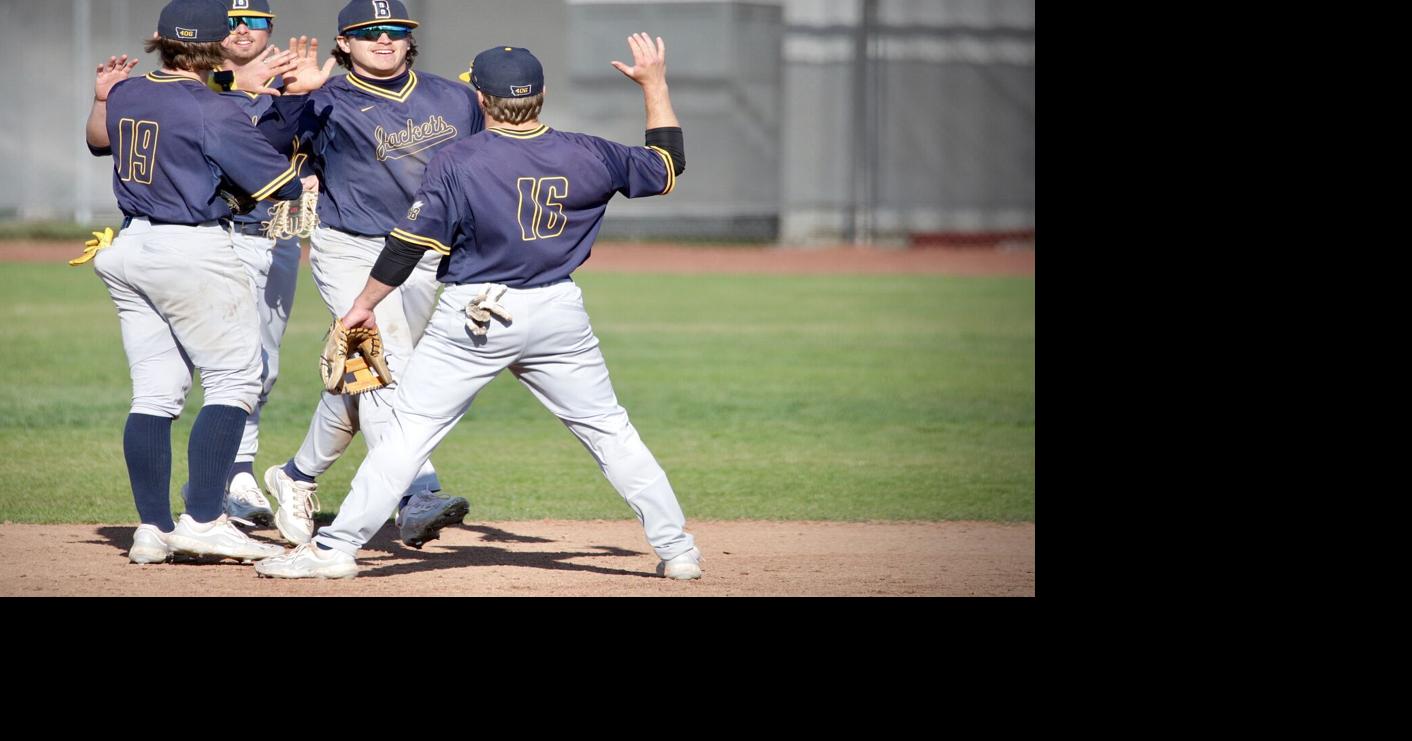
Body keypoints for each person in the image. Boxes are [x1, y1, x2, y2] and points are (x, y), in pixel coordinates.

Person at [255, 36, 701, 580]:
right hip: (559, 311)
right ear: (539, 95)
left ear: (482, 100)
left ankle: (337, 549)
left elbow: (407, 244)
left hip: (478, 316)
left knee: (408, 435)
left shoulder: (459, 158)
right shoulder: (591, 152)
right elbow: (667, 164)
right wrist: (654, 84)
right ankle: (678, 550)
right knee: (611, 432)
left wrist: (363, 306)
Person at [82, 0, 308, 564]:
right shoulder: (214, 108)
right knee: (235, 381)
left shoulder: (130, 90)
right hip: (192, 250)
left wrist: (103, 95)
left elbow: (96, 142)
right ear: (220, 44)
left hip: (129, 246)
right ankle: (205, 518)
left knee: (155, 395)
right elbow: (278, 184)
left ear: (161, 39)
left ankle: (152, 530)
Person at [254, 0, 480, 549]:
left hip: (428, 251)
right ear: (345, 44)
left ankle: (296, 475)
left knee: (365, 384)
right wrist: (295, 96)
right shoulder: (323, 96)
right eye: (369, 32)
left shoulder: (452, 96)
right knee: (385, 360)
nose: (384, 39)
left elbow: (480, 167)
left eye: (396, 30)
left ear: (410, 40)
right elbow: (264, 146)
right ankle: (416, 493)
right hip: (351, 247)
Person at [200, 0, 308, 528]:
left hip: (275, 239)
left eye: (256, 20)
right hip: (211, 237)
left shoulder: (295, 85)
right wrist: (239, 90)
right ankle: (225, 480)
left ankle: (229, 477)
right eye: (233, 20)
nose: (244, 29)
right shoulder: (197, 80)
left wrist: (316, 94)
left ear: (272, 28)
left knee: (264, 363)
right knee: (222, 365)